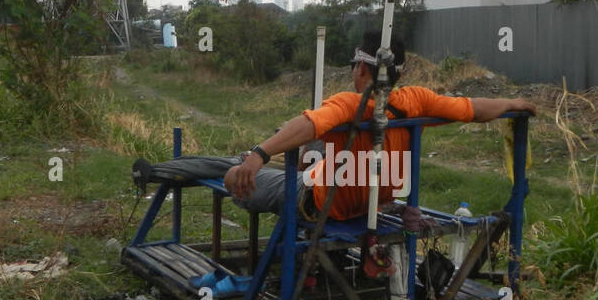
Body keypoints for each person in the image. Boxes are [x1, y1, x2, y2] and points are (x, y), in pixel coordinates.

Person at [222, 31, 537, 219]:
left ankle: (235, 165)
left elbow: (307, 125)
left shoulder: (348, 103)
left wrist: (257, 155)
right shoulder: (417, 99)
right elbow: (473, 108)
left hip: (324, 204)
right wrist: (512, 103)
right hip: (375, 200)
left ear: (360, 67)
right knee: (310, 164)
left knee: (231, 177)